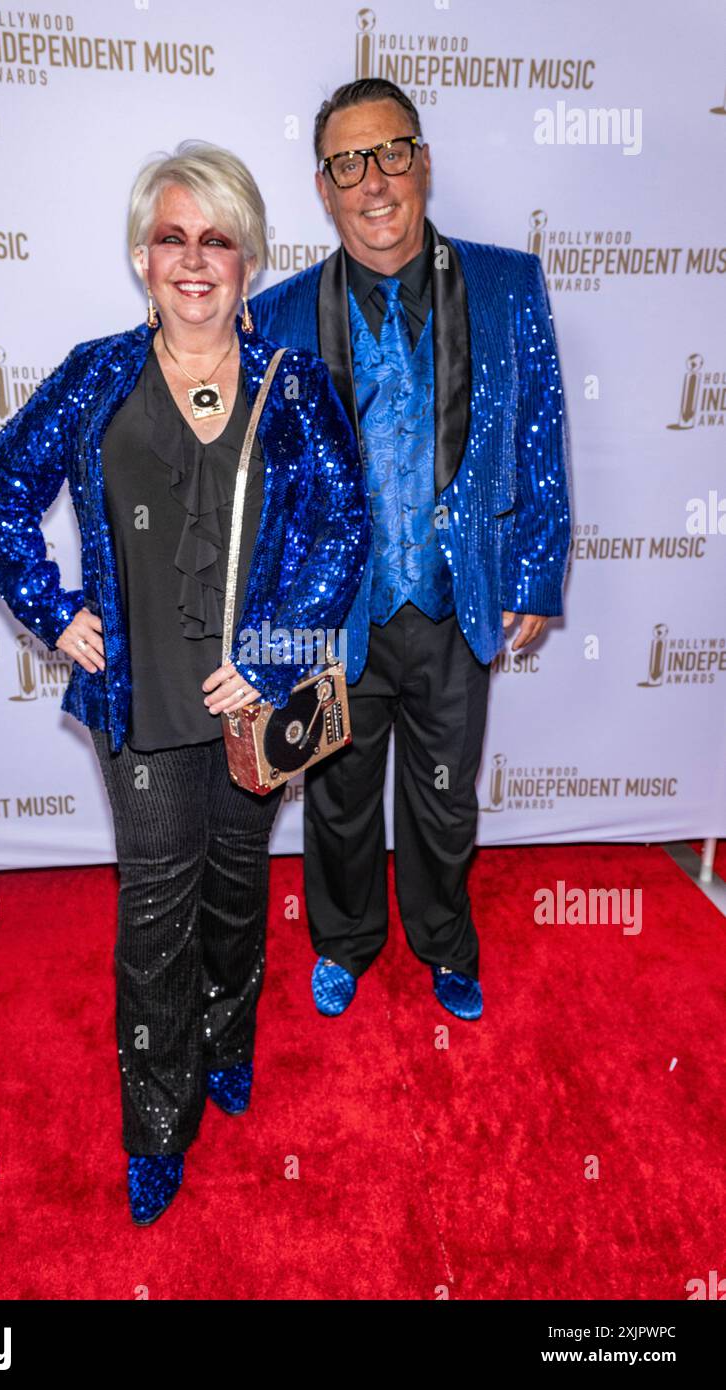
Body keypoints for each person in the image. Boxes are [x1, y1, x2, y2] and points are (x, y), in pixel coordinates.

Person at [0, 141, 371, 1225]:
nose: (194, 260)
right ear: (143, 257)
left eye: (217, 239)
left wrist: (278, 644)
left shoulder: (297, 387)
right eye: (172, 237)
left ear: (246, 260)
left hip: (248, 704)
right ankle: (156, 1121)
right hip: (138, 700)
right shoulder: (96, 372)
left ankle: (228, 1041)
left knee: (238, 895)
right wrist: (52, 611)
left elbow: (343, 526)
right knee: (155, 914)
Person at [250, 79, 571, 1022]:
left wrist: (534, 571)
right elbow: (266, 487)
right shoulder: (275, 316)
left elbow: (542, 435)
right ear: (324, 186)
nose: (374, 181)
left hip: (457, 593)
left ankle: (444, 941)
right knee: (340, 797)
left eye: (391, 152)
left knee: (444, 793)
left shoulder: (508, 282)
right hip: (339, 612)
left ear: (423, 162)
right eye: (349, 163)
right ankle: (345, 941)